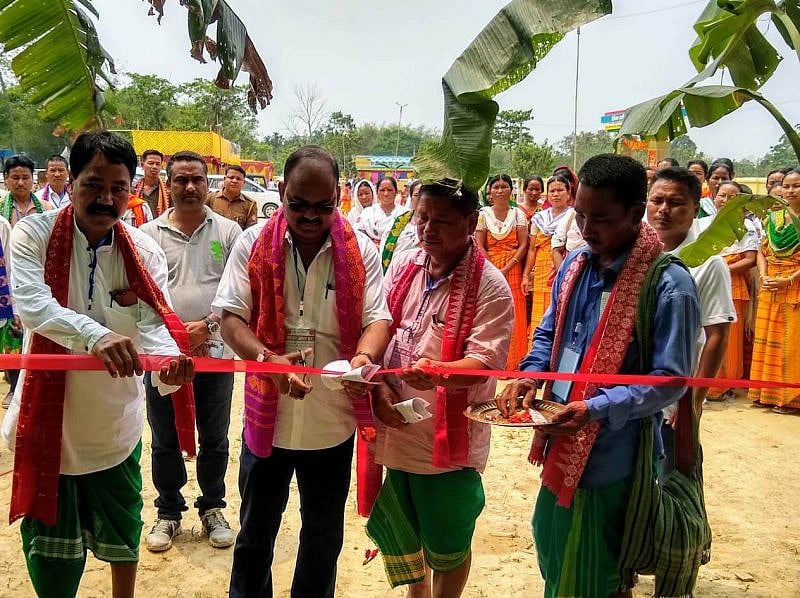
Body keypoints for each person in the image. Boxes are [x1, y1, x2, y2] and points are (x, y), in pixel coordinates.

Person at [496, 154, 701, 598]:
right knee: (555, 550)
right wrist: (530, 376)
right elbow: (548, 332)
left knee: (595, 568)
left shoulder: (668, 285)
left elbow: (670, 379)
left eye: (601, 219)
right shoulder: (573, 266)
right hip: (560, 437)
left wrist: (595, 409)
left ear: (635, 211)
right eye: (581, 215)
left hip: (615, 455)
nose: (587, 229)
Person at [1, 131, 195, 598]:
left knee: (123, 539)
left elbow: (152, 322)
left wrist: (169, 360)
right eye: (93, 185)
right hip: (50, 428)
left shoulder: (143, 251)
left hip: (114, 427)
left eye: (117, 188)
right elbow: (31, 307)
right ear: (71, 181)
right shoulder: (35, 233)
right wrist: (97, 334)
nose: (105, 199)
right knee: (51, 554)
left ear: (131, 189)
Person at [213, 145, 392, 597]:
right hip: (268, 420)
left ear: (339, 197)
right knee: (255, 535)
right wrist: (266, 359)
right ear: (280, 192)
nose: (311, 216)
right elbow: (230, 317)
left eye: (324, 206)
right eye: (299, 204)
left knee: (322, 537)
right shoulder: (252, 243)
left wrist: (365, 359)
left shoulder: (361, 251)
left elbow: (379, 318)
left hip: (332, 420)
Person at [366, 179, 514, 596]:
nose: (427, 229)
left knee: (448, 543)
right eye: (422, 217)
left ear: (471, 222)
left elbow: (484, 363)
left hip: (446, 445)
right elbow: (382, 324)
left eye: (442, 221)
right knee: (409, 535)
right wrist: (376, 382)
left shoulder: (491, 286)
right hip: (396, 423)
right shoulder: (406, 263)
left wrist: (440, 372)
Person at [140, 150, 243, 552]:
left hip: (215, 350)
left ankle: (212, 507)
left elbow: (237, 291)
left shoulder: (229, 232)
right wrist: (171, 334)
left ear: (207, 183)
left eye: (197, 179)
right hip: (163, 352)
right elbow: (142, 294)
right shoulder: (147, 235)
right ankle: (168, 511)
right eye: (180, 179)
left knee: (215, 435)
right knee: (164, 434)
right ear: (167, 183)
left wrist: (209, 325)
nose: (189, 187)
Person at [2, 156, 54, 408]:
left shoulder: (45, 208)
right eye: (15, 178)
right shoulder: (1, 210)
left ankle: (33, 387)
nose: (21, 182)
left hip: (40, 278)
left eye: (25, 177)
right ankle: (14, 388)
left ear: (33, 180)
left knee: (36, 333)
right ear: (6, 180)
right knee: (12, 337)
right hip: (7, 279)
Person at [749, 168, 800, 413]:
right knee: (768, 339)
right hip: (770, 283)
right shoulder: (773, 219)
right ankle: (765, 393)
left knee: (792, 342)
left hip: (795, 285)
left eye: (796, 186)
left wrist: (789, 279)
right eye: (787, 186)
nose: (790, 191)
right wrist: (764, 275)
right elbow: (761, 251)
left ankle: (790, 398)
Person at [707, 181, 758, 400]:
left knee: (729, 338)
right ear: (714, 197)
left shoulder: (746, 227)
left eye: (732, 197)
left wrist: (720, 268)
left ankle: (723, 386)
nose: (726, 201)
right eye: (722, 196)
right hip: (706, 282)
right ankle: (705, 384)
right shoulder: (702, 223)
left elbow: (750, 259)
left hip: (733, 283)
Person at [475, 174, 528, 370]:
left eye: (504, 186)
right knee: (493, 312)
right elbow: (480, 244)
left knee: (516, 314)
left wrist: (507, 267)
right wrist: (493, 269)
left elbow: (523, 245)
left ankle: (514, 364)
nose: (500, 190)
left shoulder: (518, 215)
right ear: (490, 192)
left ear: (510, 190)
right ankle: (493, 362)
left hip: (513, 269)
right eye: (495, 187)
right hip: (489, 270)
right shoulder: (483, 215)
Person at [522, 174, 572, 333]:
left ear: (568, 193)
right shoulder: (539, 218)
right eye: (552, 191)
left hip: (564, 271)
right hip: (541, 274)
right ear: (547, 194)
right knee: (539, 318)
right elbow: (531, 249)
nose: (556, 194)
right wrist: (526, 275)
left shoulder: (574, 216)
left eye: (560, 190)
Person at [379, 179, 422, 272]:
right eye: (416, 195)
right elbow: (384, 248)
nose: (421, 198)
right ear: (411, 197)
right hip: (396, 273)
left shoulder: (436, 224)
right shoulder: (398, 221)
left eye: (424, 194)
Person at [355, 176, 410, 244]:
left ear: (396, 192)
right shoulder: (367, 213)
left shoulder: (405, 213)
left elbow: (408, 237)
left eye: (389, 190)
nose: (386, 194)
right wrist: (371, 244)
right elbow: (358, 235)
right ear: (377, 193)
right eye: (382, 190)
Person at [2, 156, 55, 226]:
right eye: (16, 178)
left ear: (32, 178)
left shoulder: (47, 208)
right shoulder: (1, 207)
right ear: (6, 178)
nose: (20, 183)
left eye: (25, 178)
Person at [207, 165, 259, 230]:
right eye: (231, 177)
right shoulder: (210, 198)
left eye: (238, 179)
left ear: (243, 183)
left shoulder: (250, 205)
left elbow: (250, 232)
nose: (234, 181)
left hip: (238, 239)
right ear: (224, 179)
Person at [134, 149, 170, 217]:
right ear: (142, 165)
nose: (154, 167)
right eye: (150, 163)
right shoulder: (133, 189)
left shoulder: (168, 191)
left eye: (158, 164)